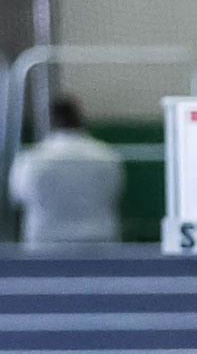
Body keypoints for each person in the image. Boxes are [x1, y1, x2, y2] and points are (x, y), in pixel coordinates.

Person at [7, 94, 122, 246]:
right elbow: (114, 192)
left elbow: (19, 196)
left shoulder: (32, 159)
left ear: (51, 122)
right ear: (79, 119)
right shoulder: (106, 156)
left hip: (45, 243)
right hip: (97, 240)